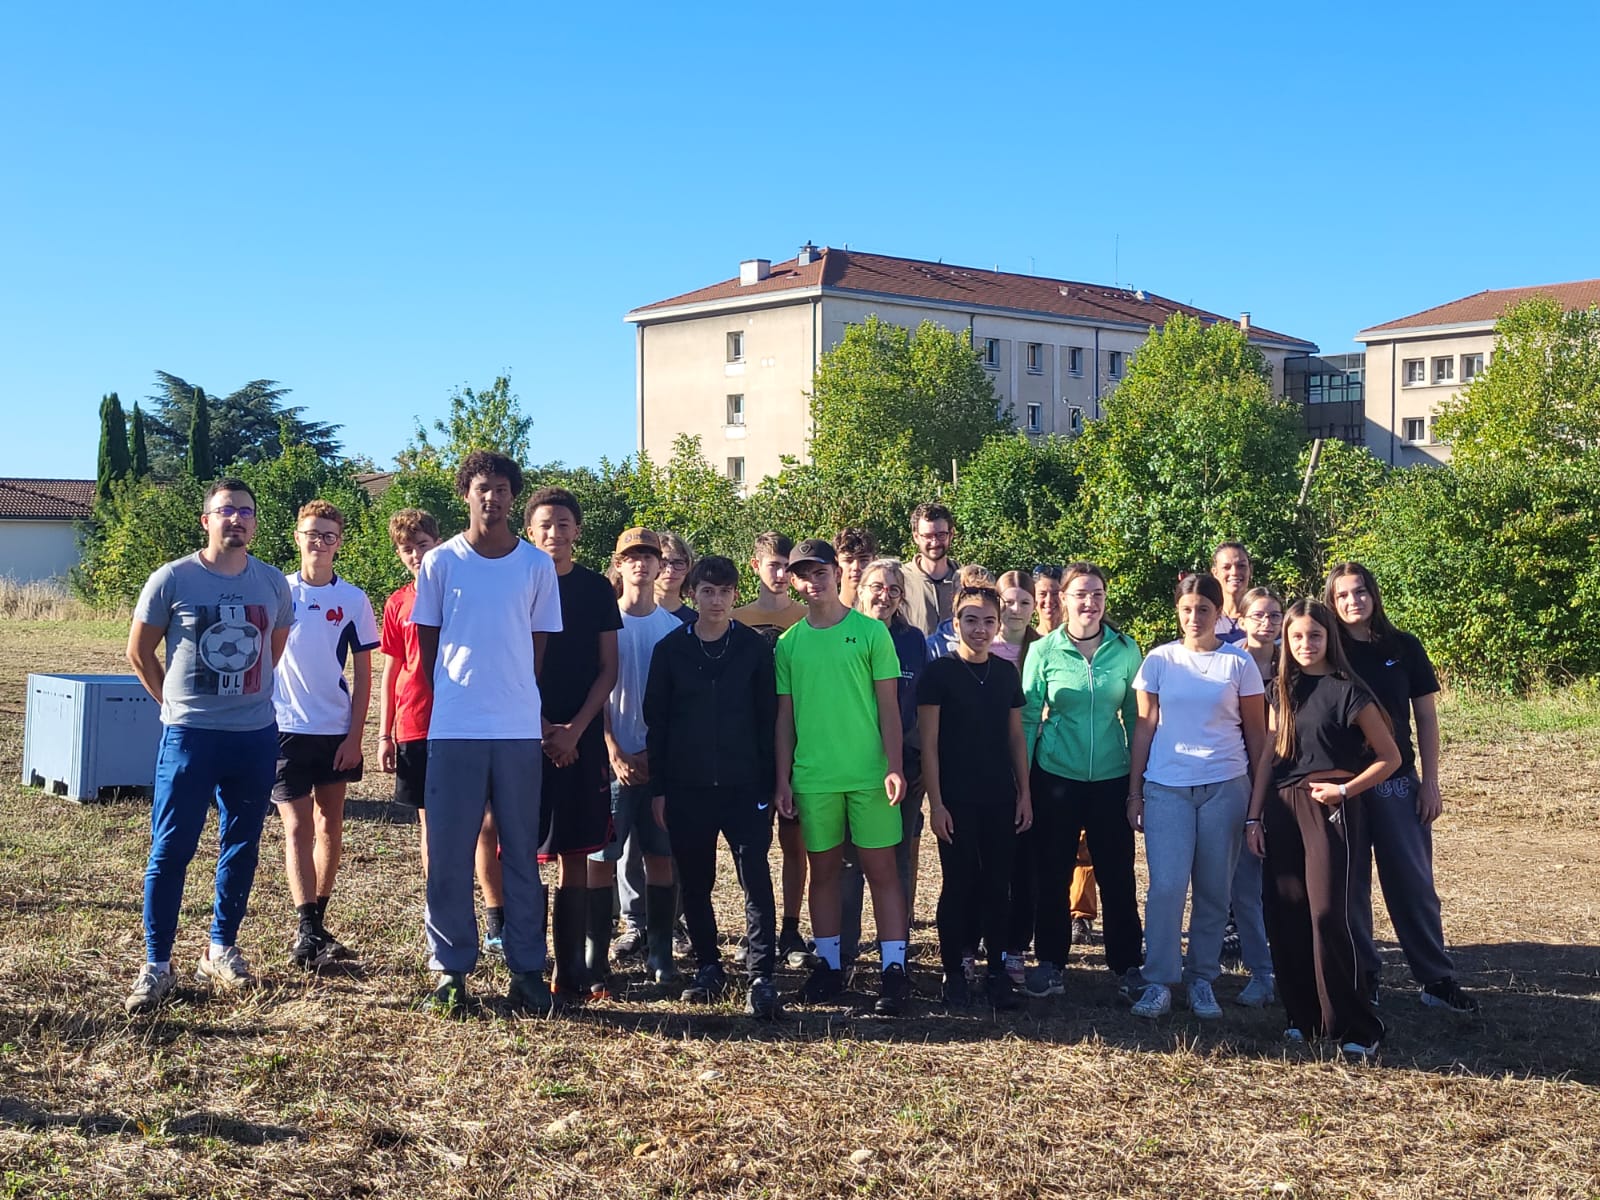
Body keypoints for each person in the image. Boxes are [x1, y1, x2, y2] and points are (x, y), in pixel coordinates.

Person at [123, 478, 294, 1014]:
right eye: (225, 511)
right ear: (207, 521)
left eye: (246, 511)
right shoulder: (173, 578)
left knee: (242, 844)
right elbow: (139, 653)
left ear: (255, 522)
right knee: (171, 849)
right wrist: (173, 706)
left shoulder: (272, 583)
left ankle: (220, 949)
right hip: (190, 736)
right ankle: (157, 964)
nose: (236, 519)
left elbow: (273, 652)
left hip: (254, 736)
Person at [412, 450, 564, 1015]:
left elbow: (537, 645)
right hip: (454, 728)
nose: (492, 498)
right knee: (449, 854)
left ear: (512, 497)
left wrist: (514, 694)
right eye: (483, 488)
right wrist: (460, 695)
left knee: (522, 853)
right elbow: (428, 644)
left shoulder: (535, 566)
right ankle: (451, 972)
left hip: (518, 729)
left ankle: (527, 970)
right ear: (466, 495)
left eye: (502, 489)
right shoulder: (440, 562)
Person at [1246, 599, 1398, 1058]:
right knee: (1286, 912)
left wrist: (1345, 790)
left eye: (1314, 635)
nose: (1306, 643)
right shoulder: (1280, 690)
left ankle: (1359, 1027)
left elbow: (1390, 758)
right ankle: (1304, 1018)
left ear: (1329, 638)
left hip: (1330, 805)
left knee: (1328, 914)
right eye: (1296, 636)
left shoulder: (1349, 691)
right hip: (1281, 807)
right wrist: (1254, 816)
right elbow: (1268, 757)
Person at [1325, 562, 1479, 1014]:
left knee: (1413, 884)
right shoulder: (1326, 650)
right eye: (1342, 595)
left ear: (1373, 595)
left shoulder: (1403, 647)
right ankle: (1364, 976)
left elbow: (1426, 718)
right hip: (1344, 786)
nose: (1353, 601)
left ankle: (1436, 979)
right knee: (1350, 886)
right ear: (1331, 601)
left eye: (1360, 592)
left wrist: (1430, 782)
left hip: (1396, 782)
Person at [776, 539, 912, 1015]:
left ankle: (894, 970)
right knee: (824, 873)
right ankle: (830, 967)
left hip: (870, 777)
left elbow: (890, 708)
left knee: (883, 873)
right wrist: (782, 778)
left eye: (820, 572)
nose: (813, 581)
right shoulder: (789, 643)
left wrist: (894, 766)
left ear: (837, 573)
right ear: (794, 582)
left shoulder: (871, 633)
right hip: (814, 779)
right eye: (803, 574)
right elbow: (784, 719)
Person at [1125, 573, 1267, 1020]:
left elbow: (1257, 735)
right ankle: (1158, 981)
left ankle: (1202, 978)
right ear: (1177, 611)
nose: (1194, 617)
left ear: (1218, 612)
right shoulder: (1159, 660)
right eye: (1186, 609)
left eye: (1203, 609)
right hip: (1166, 787)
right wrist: (1134, 791)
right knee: (1167, 887)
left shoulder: (1239, 664)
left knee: (1214, 890)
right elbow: (1144, 727)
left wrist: (1258, 804)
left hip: (1226, 786)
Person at [645, 555, 781, 1018]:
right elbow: (657, 724)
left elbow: (768, 720)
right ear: (693, 594)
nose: (716, 600)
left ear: (735, 595)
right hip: (687, 786)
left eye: (724, 592)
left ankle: (761, 974)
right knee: (696, 881)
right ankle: (708, 966)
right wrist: (659, 788)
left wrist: (769, 784)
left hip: (746, 786)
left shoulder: (754, 648)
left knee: (755, 879)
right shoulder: (670, 650)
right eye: (707, 591)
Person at [1019, 563, 1144, 1000]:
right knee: (1052, 873)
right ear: (1063, 599)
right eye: (1080, 594)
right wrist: (1023, 786)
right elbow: (1028, 718)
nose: (1089, 602)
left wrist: (1137, 785)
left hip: (1111, 777)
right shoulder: (1044, 650)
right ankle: (1050, 963)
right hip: (1055, 775)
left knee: (1117, 875)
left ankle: (1127, 965)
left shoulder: (1126, 649)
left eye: (1097, 594)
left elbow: (1137, 716)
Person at [271, 500, 380, 968]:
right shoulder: (277, 590)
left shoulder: (353, 599)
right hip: (284, 729)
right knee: (296, 827)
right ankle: (306, 926)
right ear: (297, 537)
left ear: (340, 543)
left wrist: (355, 737)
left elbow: (365, 675)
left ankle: (317, 922)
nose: (319, 542)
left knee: (329, 824)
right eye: (312, 533)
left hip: (335, 731)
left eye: (328, 535)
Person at [525, 487, 621, 1004]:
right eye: (545, 524)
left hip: (581, 741)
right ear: (530, 532)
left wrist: (574, 731)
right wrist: (544, 728)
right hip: (526, 735)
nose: (554, 533)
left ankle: (570, 974)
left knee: (576, 856)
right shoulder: (518, 582)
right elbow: (511, 665)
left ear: (577, 531)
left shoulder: (595, 589)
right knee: (525, 855)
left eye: (563, 524)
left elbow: (609, 669)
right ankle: (527, 970)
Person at [919, 585, 1032, 1010]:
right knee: (959, 884)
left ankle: (997, 972)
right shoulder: (939, 673)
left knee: (998, 884)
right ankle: (954, 973)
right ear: (955, 623)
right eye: (971, 620)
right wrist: (937, 803)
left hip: (1000, 796)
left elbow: (1016, 737)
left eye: (988, 621)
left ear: (998, 625)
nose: (980, 629)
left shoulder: (1005, 673)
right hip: (956, 799)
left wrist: (1025, 794)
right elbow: (929, 745)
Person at [591, 528, 684, 984]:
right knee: (601, 857)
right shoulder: (604, 623)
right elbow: (596, 691)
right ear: (619, 564)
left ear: (660, 565)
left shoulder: (674, 629)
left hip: (659, 764)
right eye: (632, 557)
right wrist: (613, 749)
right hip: (612, 762)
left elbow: (679, 703)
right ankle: (595, 956)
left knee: (660, 855)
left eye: (649, 556)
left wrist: (655, 755)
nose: (641, 564)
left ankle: (660, 952)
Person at [730, 530, 813, 967]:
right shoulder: (736, 617)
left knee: (795, 841)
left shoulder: (808, 616)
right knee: (753, 846)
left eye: (787, 567)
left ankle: (791, 929)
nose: (781, 575)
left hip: (802, 744)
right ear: (755, 566)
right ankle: (756, 928)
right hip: (751, 747)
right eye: (773, 566)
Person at [839, 558, 926, 967]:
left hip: (903, 765)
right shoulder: (841, 632)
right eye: (876, 586)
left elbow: (920, 704)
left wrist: (915, 760)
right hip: (850, 764)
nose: (884, 596)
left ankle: (895, 952)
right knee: (849, 860)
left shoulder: (913, 641)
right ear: (859, 588)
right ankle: (845, 950)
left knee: (897, 858)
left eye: (894, 590)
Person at [1227, 585, 1285, 1007]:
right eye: (1258, 615)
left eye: (1274, 615)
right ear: (1241, 620)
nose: (1267, 623)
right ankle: (1261, 972)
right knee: (1244, 884)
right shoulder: (1228, 661)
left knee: (1289, 883)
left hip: (1290, 781)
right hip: (1237, 779)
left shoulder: (1297, 659)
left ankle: (1297, 967)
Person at [1033, 565, 1097, 949]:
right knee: (1051, 852)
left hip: (1094, 763)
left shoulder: (1108, 645)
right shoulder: (1033, 644)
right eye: (1040, 593)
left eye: (1050, 593)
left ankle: (1082, 914)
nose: (1046, 601)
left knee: (1086, 847)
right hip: (1048, 761)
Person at [902, 502, 959, 637]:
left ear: (951, 534)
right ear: (916, 537)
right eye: (928, 536)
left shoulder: (967, 581)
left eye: (941, 535)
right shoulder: (900, 579)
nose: (935, 542)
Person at [925, 564, 994, 661]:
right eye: (966, 594)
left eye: (984, 593)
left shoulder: (1004, 644)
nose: (976, 600)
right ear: (953, 598)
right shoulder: (934, 647)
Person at [993, 569, 1040, 668]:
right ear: (996, 604)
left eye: (1025, 603)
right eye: (1009, 602)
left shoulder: (1045, 648)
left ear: (1034, 606)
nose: (1016, 609)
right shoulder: (983, 647)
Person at [1211, 542, 1252, 645]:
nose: (1234, 572)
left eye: (1241, 566)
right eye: (1226, 567)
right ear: (1215, 573)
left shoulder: (1262, 616)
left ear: (1250, 570)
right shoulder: (1207, 617)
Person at [834, 527, 878, 609]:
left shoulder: (887, 613)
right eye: (848, 560)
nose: (856, 567)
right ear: (836, 563)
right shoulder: (825, 614)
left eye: (863, 560)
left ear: (875, 562)